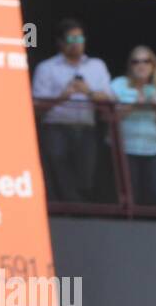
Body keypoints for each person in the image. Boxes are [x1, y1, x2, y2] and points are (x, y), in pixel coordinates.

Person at [31, 19, 112, 203]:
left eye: (79, 37)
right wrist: (62, 96)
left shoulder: (96, 65)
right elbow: (36, 104)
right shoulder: (47, 67)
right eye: (70, 38)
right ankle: (73, 210)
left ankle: (81, 207)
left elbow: (109, 98)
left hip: (86, 126)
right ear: (60, 42)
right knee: (59, 168)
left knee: (86, 175)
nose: (76, 42)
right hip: (56, 126)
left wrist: (88, 91)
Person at [109, 45, 156, 206]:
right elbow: (110, 117)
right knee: (130, 197)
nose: (141, 65)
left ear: (153, 65)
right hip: (125, 149)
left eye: (146, 61)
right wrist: (135, 105)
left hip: (152, 149)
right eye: (136, 62)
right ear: (130, 66)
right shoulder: (119, 84)